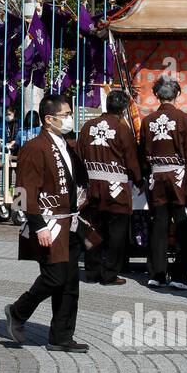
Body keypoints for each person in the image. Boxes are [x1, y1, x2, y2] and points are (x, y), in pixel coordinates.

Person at [4, 95, 97, 352]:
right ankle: (18, 311)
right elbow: (22, 192)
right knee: (55, 277)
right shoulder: (35, 147)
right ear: (49, 119)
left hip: (70, 221)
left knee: (69, 282)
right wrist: (38, 226)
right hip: (48, 222)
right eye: (65, 115)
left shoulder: (67, 145)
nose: (69, 119)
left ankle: (61, 336)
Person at [75, 89, 142, 287]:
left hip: (92, 186)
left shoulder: (88, 126)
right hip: (116, 189)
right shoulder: (122, 129)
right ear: (123, 109)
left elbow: (78, 156)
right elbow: (132, 160)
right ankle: (109, 273)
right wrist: (139, 181)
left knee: (93, 228)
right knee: (117, 233)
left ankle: (92, 271)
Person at [140, 76, 187, 288]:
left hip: (156, 177)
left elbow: (143, 153)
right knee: (183, 225)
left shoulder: (147, 121)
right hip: (179, 177)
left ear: (157, 95)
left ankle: (157, 273)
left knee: (159, 225)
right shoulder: (186, 120)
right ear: (178, 95)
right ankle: (179, 276)